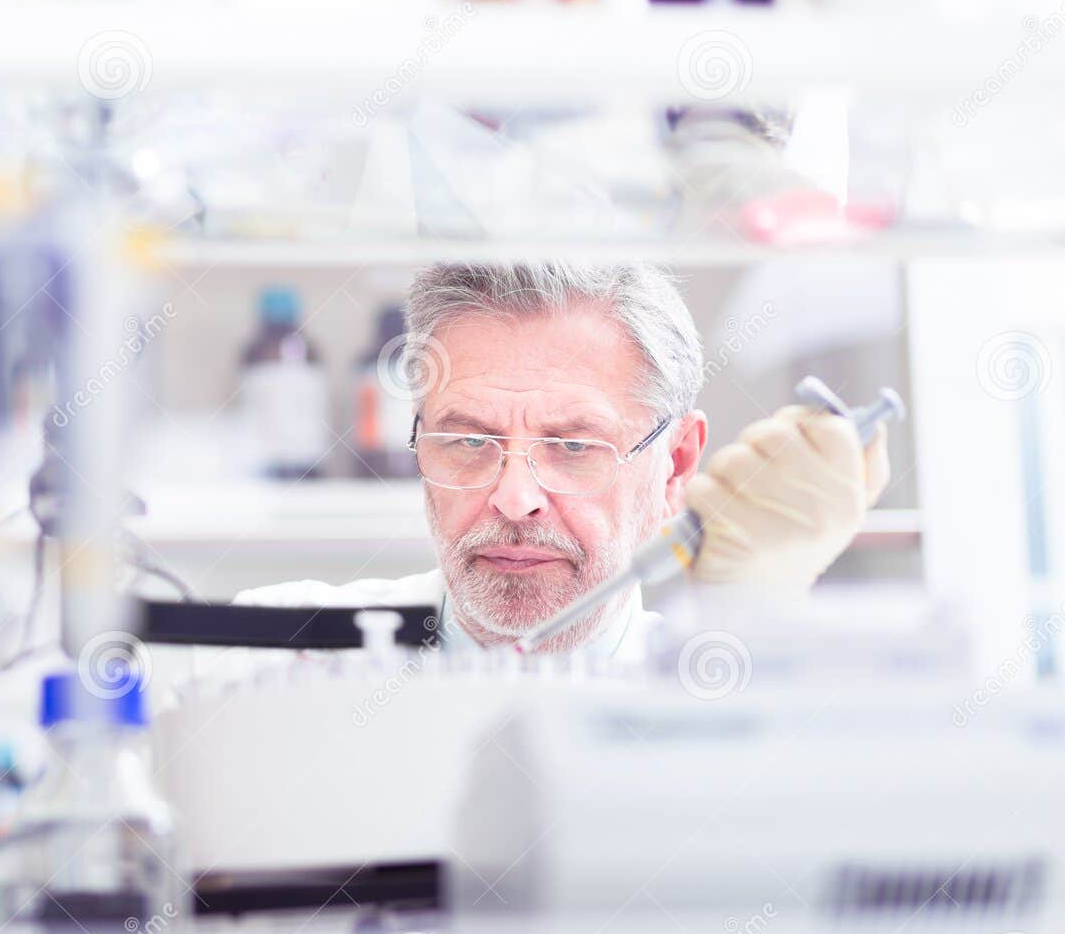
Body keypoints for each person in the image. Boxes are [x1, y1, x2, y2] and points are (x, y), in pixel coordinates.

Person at [225, 261, 889, 667]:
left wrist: (758, 610)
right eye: (468, 440)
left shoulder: (717, 685)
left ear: (676, 463)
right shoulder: (283, 652)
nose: (515, 499)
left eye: (573, 446)